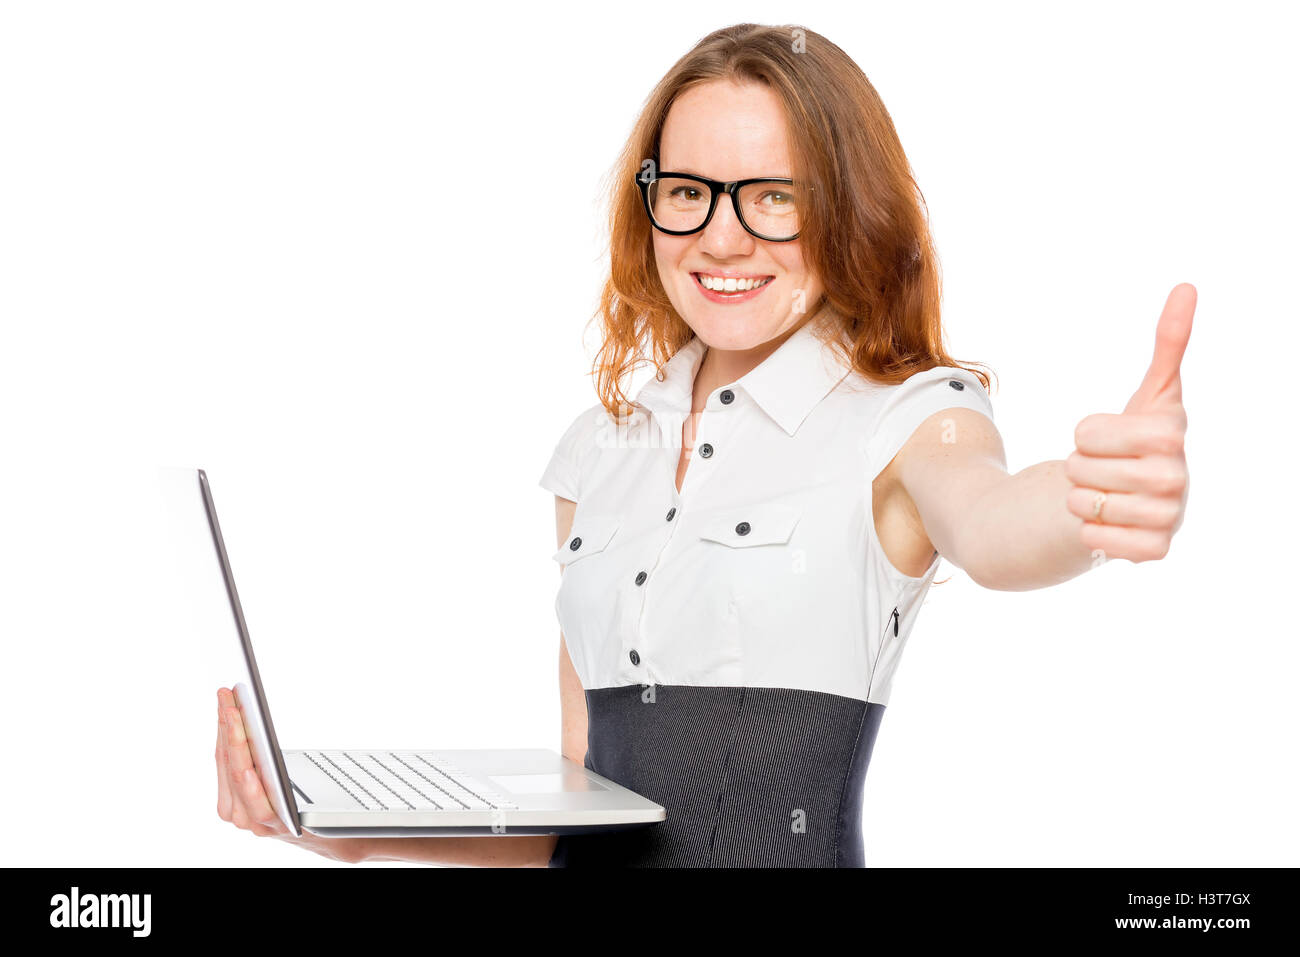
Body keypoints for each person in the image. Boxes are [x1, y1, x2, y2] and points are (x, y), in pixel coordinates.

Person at [215, 23, 1192, 867]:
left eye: (773, 196)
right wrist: (339, 828)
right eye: (688, 190)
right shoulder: (598, 451)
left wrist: (1087, 504)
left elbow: (988, 520)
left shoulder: (904, 419)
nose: (721, 239)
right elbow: (583, 823)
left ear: (848, 208)